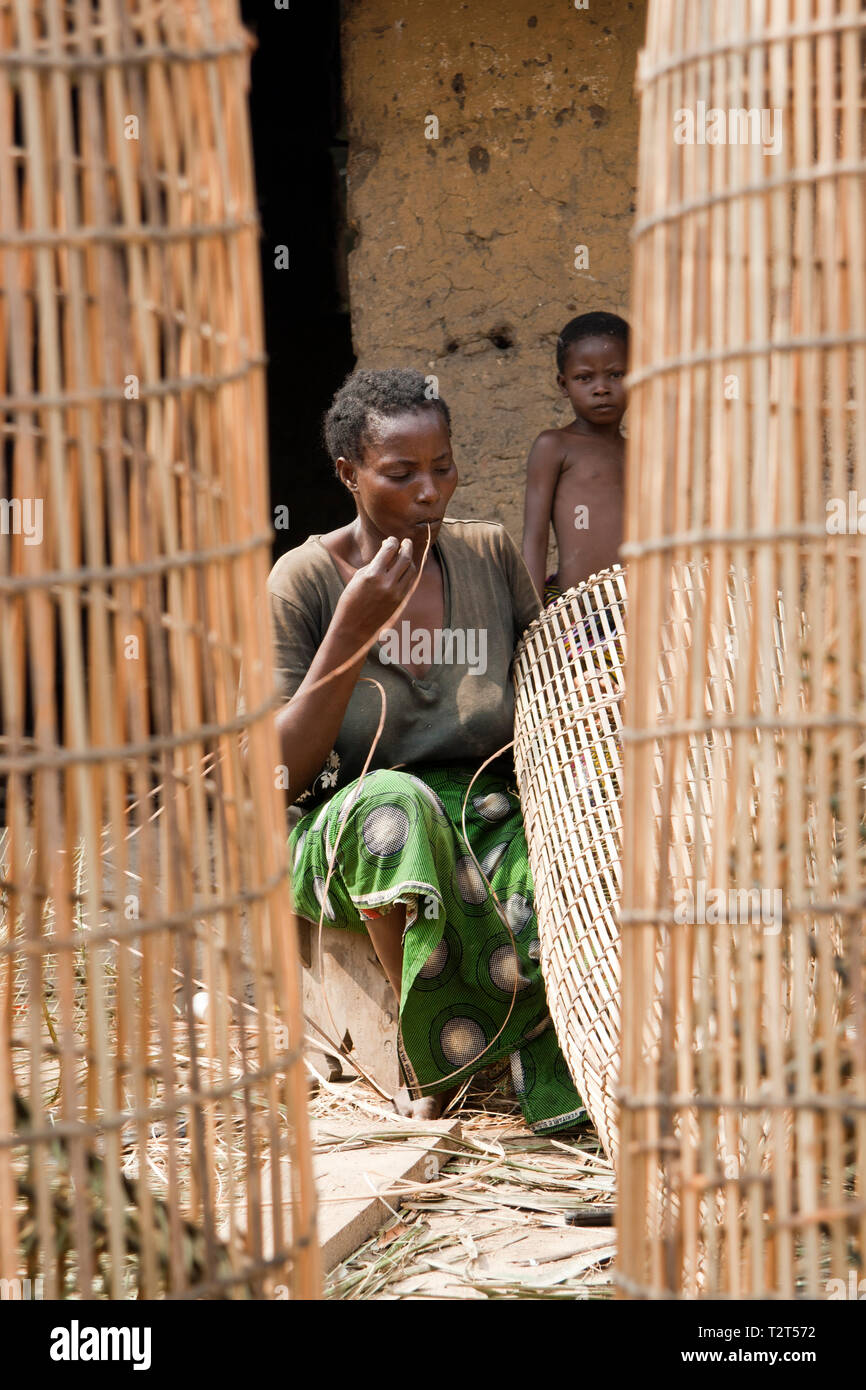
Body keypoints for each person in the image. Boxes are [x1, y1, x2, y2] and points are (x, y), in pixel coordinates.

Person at [269, 367, 586, 1132]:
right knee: (399, 808)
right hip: (343, 827)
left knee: (551, 866)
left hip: (485, 804)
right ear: (348, 474)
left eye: (442, 467)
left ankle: (559, 1073)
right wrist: (351, 629)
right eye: (401, 473)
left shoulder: (486, 555)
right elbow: (279, 773)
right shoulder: (305, 581)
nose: (430, 491)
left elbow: (545, 688)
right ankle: (426, 1055)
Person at [521, 311, 629, 606]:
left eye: (616, 374)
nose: (601, 388)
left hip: (636, 613)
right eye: (584, 378)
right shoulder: (554, 446)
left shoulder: (640, 453)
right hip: (574, 613)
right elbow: (535, 538)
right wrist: (530, 614)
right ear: (563, 384)